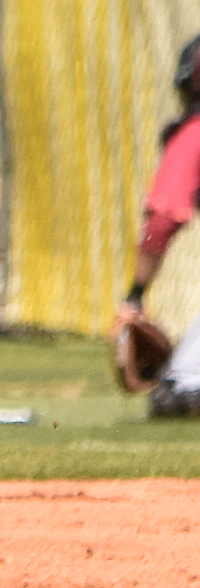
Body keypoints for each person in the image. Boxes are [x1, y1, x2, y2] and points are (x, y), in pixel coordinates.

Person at [115, 32, 200, 418]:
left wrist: (134, 296)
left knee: (179, 391)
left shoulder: (194, 134)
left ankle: (185, 382)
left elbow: (162, 219)